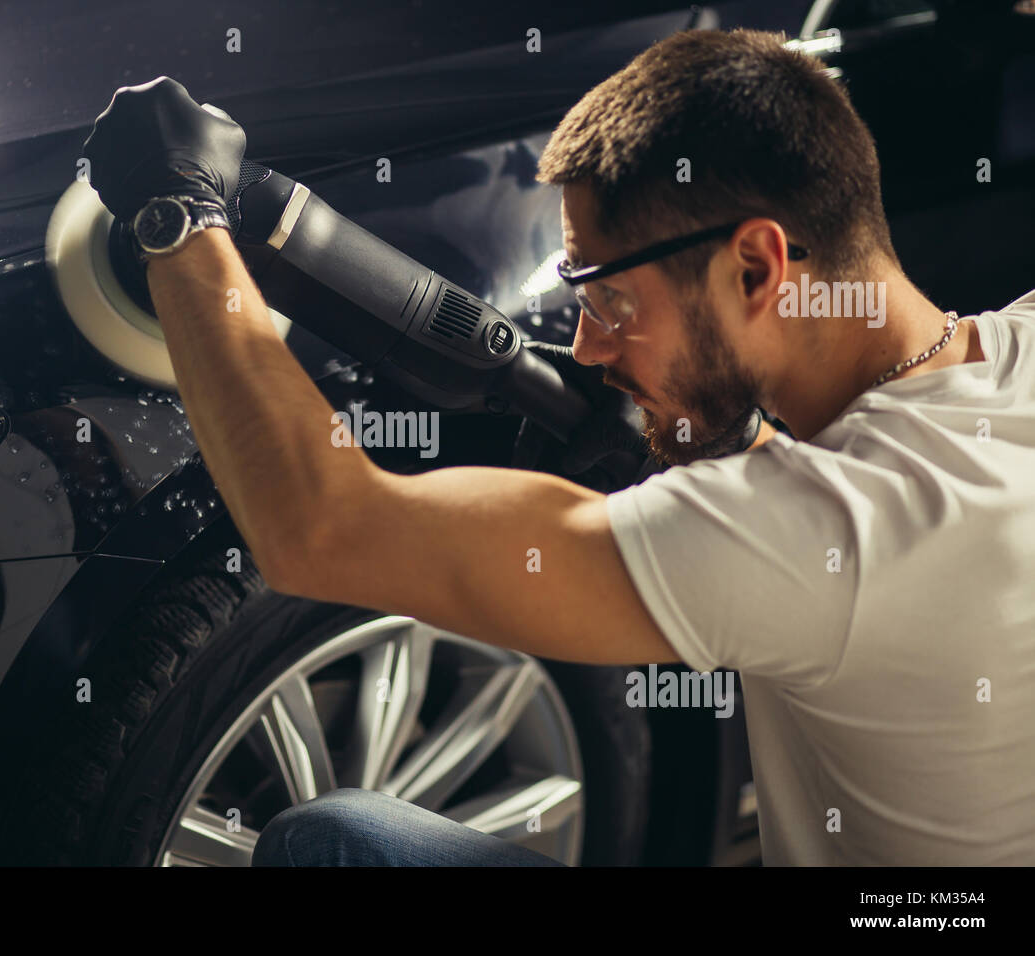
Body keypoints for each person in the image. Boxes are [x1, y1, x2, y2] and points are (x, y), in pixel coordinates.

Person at [81, 27, 1035, 866]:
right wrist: (723, 444)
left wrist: (179, 218)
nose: (584, 344)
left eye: (608, 299)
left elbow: (320, 529)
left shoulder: (822, 531)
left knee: (333, 844)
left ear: (757, 265)